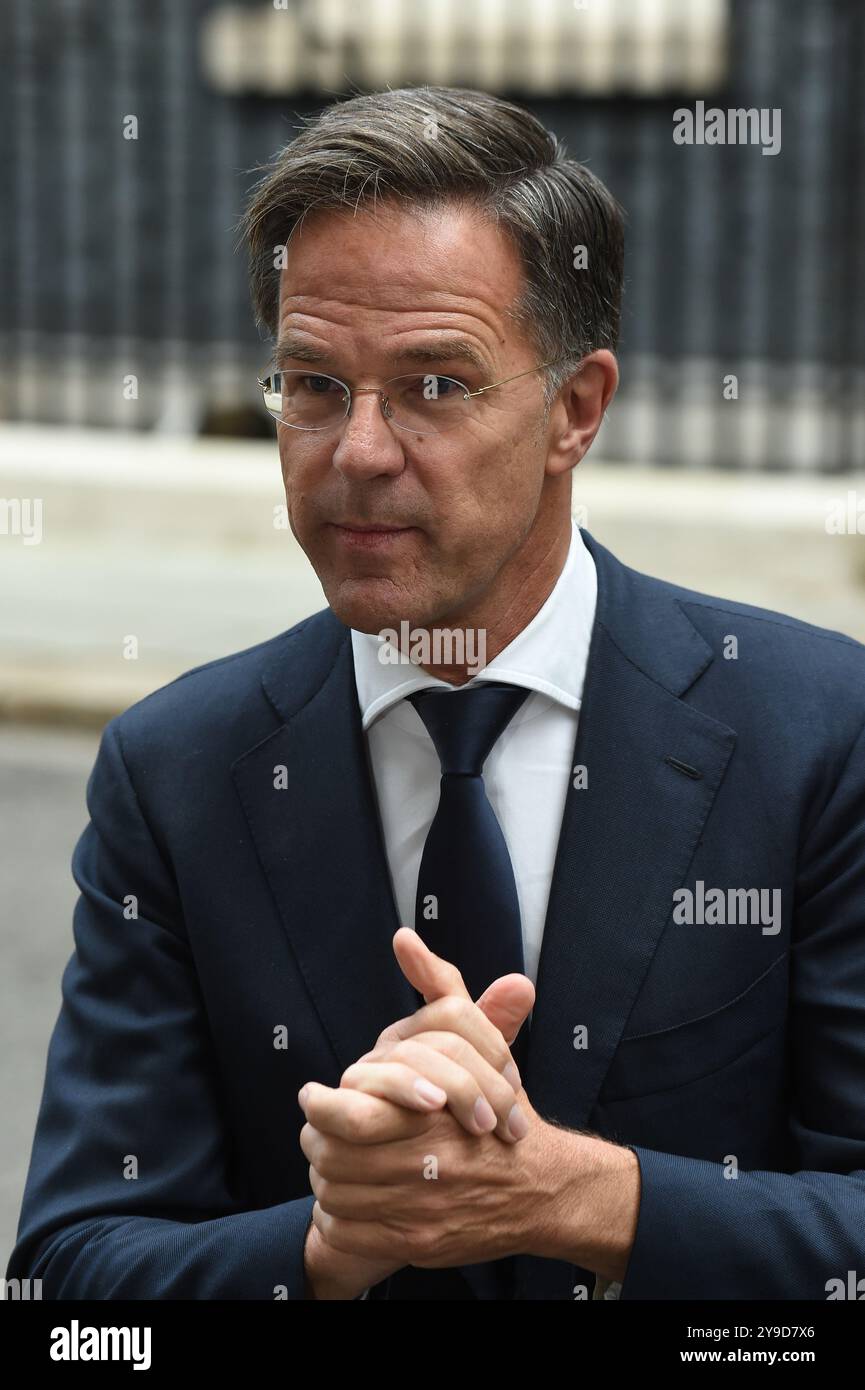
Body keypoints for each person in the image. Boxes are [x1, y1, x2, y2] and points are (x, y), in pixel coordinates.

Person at [8, 85, 865, 1302]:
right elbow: (72, 1292)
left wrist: (582, 1196)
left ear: (576, 409)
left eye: (435, 385)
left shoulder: (815, 733)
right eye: (311, 385)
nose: (357, 450)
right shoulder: (176, 769)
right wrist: (325, 1246)